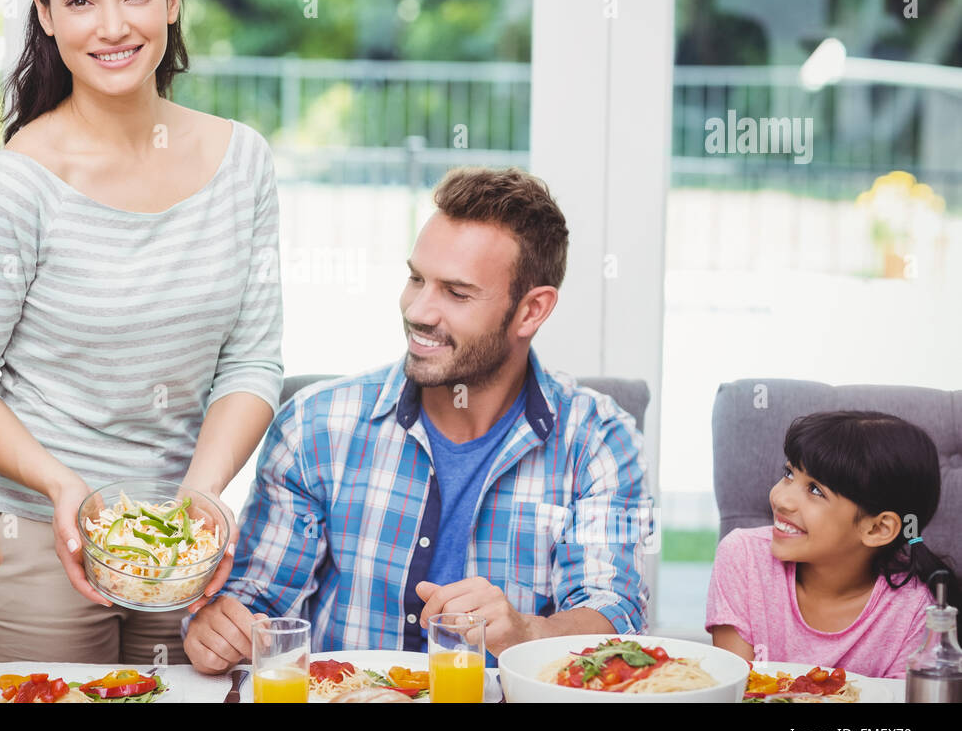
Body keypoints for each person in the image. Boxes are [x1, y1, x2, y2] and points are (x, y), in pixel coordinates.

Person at [0, 0, 282, 667]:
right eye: (81, 1)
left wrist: (200, 500)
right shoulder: (15, 188)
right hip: (31, 546)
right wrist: (65, 490)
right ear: (45, 14)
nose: (113, 26)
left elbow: (252, 361)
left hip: (182, 556)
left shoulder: (241, 162)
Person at [183, 167, 653, 672]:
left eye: (456, 292)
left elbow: (616, 616)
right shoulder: (315, 425)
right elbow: (256, 603)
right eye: (415, 278)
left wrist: (526, 632)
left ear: (531, 311)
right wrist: (217, 630)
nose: (418, 310)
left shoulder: (601, 439)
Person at [706, 411, 958, 679]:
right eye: (789, 473)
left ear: (878, 528)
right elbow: (734, 690)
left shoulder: (914, 609)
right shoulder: (743, 556)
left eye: (815, 490)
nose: (781, 499)